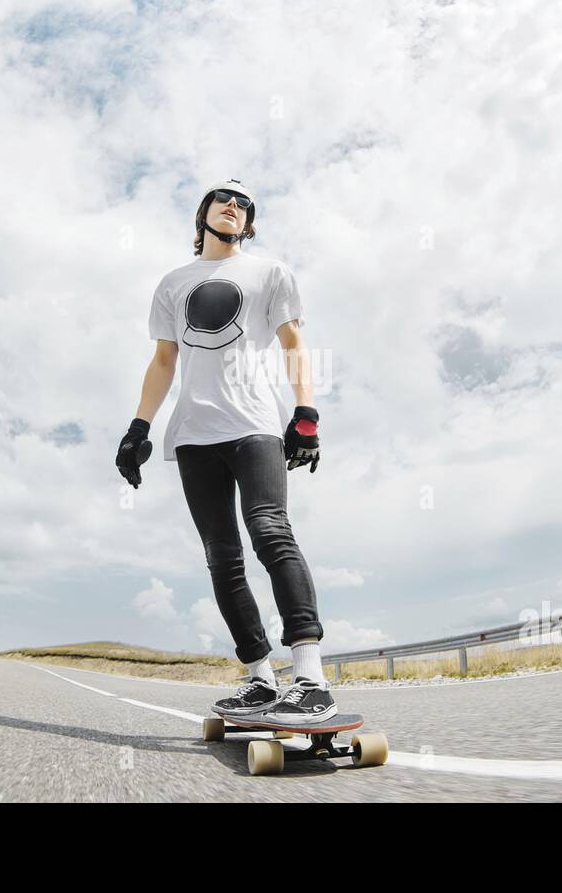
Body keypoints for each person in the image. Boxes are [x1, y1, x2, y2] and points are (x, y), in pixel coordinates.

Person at [115, 178, 335, 724]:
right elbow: (164, 360)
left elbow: (293, 344)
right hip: (193, 435)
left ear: (249, 222)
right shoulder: (173, 283)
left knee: (270, 529)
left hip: (255, 424)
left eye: (244, 205)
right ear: (204, 214)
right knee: (222, 556)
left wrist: (305, 413)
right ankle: (260, 679)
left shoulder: (271, 273)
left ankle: (309, 676)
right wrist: (138, 428)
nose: (234, 207)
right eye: (224, 199)